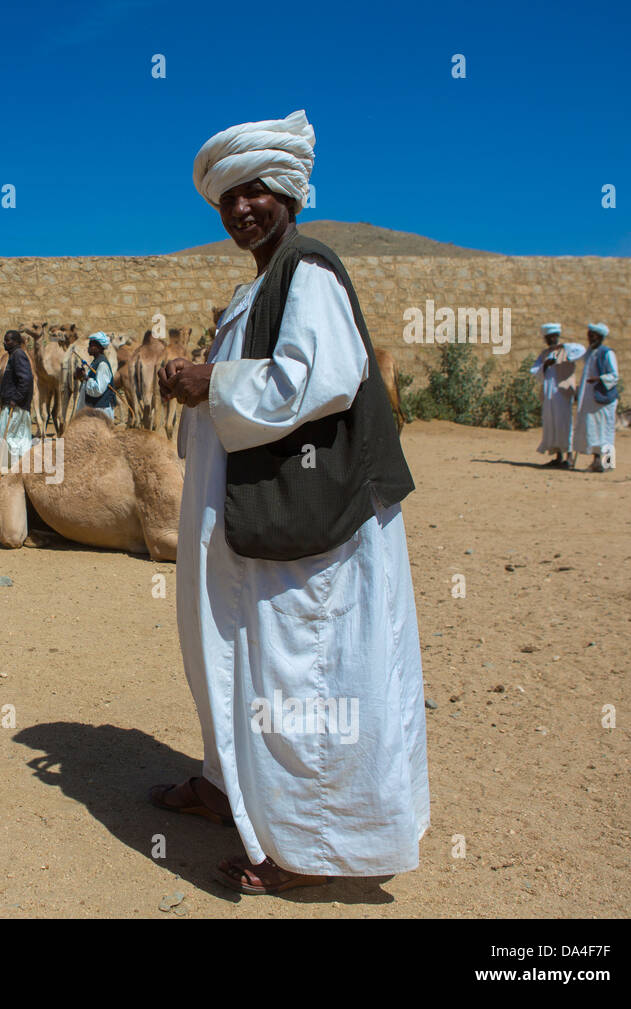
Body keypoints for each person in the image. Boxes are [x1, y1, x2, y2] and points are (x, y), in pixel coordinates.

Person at [155, 110, 427, 895]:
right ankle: (223, 781)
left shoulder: (308, 269)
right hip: (247, 519)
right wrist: (198, 380)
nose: (242, 209)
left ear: (288, 192)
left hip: (312, 530)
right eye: (228, 199)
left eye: (255, 193)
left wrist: (210, 382)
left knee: (303, 677)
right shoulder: (258, 286)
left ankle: (309, 845)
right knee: (233, 661)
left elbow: (320, 378)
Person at [529, 324, 585, 468]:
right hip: (548, 395)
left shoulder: (566, 350)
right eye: (549, 338)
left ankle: (570, 457)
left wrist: (564, 347)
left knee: (564, 424)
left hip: (562, 393)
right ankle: (558, 456)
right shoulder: (544, 354)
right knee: (551, 424)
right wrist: (545, 365)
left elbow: (580, 350)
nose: (551, 340)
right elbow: (534, 371)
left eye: (554, 337)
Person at [570, 323, 619, 472]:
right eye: (589, 335)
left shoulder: (607, 353)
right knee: (594, 430)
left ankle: (605, 462)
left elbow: (614, 376)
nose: (590, 338)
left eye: (593, 336)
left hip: (603, 400)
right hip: (591, 400)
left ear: (600, 337)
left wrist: (598, 379)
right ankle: (599, 462)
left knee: (605, 431)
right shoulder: (590, 352)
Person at [0, 330, 33, 468]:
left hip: (16, 407)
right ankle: (15, 470)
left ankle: (16, 471)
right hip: (13, 405)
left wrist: (15, 399)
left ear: (16, 342)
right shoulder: (13, 355)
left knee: (13, 439)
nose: (5, 342)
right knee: (12, 438)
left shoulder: (19, 355)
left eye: (8, 340)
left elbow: (26, 379)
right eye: (5, 340)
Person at [73, 331, 118, 421]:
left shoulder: (102, 365)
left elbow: (98, 389)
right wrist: (81, 377)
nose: (88, 348)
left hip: (101, 412)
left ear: (98, 347)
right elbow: (89, 383)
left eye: (91, 345)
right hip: (94, 410)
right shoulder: (95, 363)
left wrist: (85, 377)